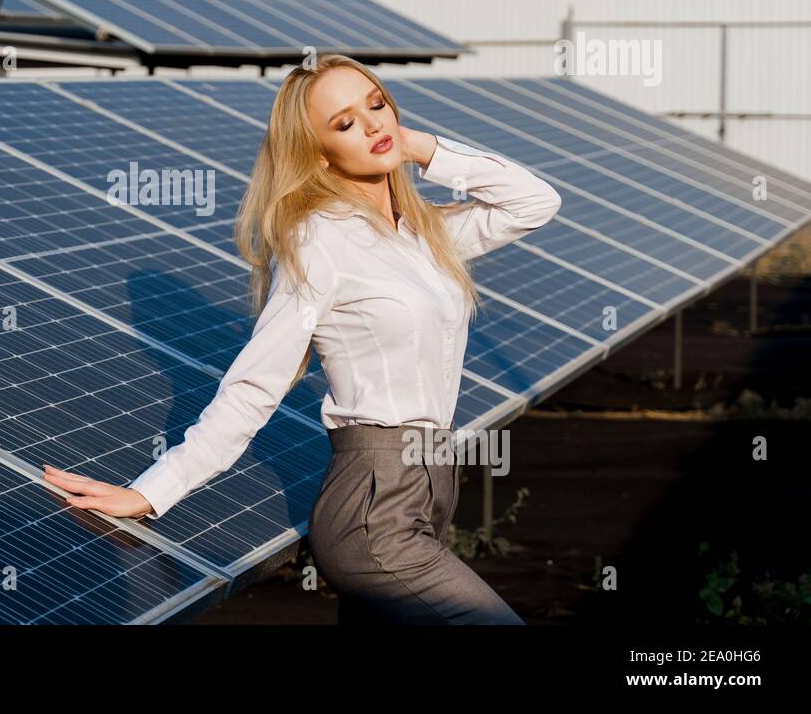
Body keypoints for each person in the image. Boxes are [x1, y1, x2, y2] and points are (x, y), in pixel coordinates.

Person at [42, 53, 562, 624]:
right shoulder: (319, 240)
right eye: (343, 124)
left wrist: (415, 145)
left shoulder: (424, 235)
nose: (370, 125)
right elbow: (254, 385)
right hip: (373, 511)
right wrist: (152, 491)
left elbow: (535, 202)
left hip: (434, 486)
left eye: (376, 104)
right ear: (317, 152)